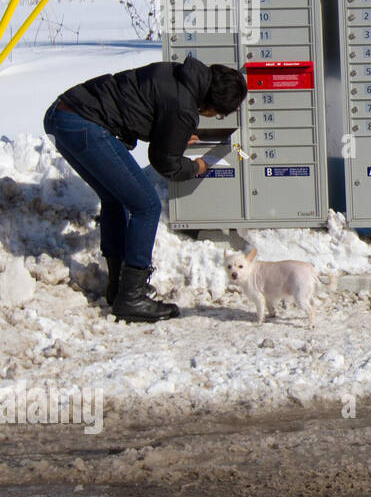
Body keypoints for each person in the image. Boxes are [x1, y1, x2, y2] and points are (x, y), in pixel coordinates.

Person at [43, 57, 248, 323]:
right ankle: (132, 297)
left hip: (62, 115)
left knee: (114, 198)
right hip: (85, 125)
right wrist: (195, 167)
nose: (212, 117)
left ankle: (119, 287)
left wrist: (173, 135)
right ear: (211, 104)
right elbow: (165, 163)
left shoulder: (177, 74)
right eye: (218, 113)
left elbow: (142, 108)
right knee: (147, 205)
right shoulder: (184, 106)